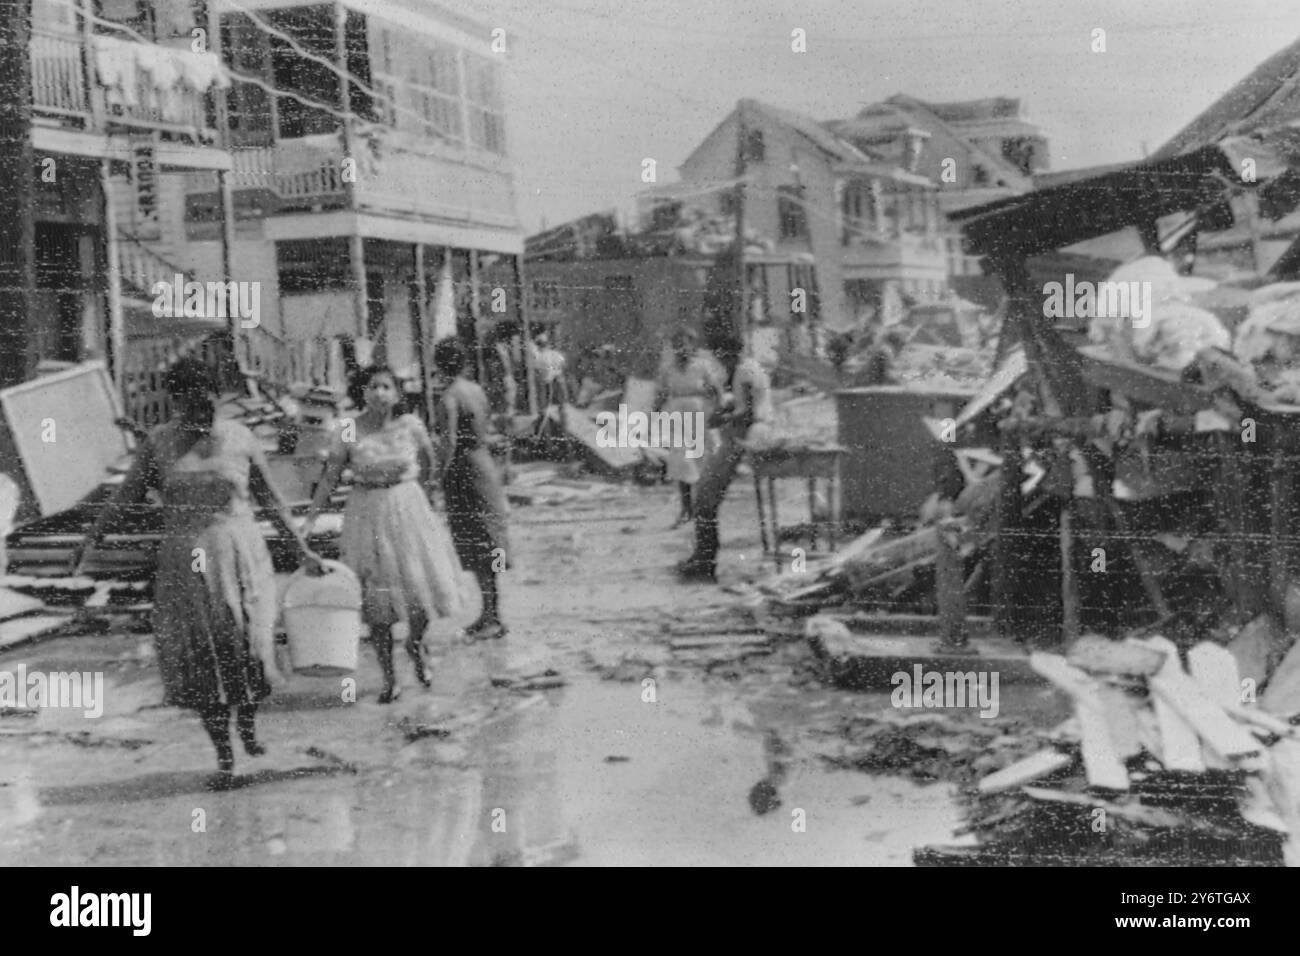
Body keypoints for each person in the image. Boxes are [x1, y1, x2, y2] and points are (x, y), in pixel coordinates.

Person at [71, 358, 322, 789]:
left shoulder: (242, 439)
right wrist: (92, 536)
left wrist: (302, 550)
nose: (202, 411)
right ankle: (224, 755)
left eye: (208, 402)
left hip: (240, 553)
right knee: (201, 657)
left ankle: (247, 728)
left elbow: (272, 502)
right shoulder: (159, 443)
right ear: (177, 401)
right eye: (191, 403)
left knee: (248, 649)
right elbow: (127, 497)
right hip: (185, 561)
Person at [303, 366, 465, 703]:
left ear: (397, 393)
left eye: (386, 387)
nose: (379, 393)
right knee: (377, 601)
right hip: (366, 512)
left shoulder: (411, 426)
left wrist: (425, 498)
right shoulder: (349, 428)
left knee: (419, 592)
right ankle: (389, 678)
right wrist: (311, 518)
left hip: (408, 508)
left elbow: (431, 463)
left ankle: (416, 644)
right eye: (372, 386)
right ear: (361, 391)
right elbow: (331, 475)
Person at [676, 336, 775, 582]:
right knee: (705, 495)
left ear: (728, 354)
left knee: (706, 497)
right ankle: (703, 557)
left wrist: (722, 419)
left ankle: (705, 560)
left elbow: (749, 413)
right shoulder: (749, 368)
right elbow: (743, 406)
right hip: (745, 433)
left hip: (744, 435)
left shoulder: (745, 371)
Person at [434, 338, 511, 640]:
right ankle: (491, 613)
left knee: (478, 543)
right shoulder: (476, 390)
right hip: (484, 464)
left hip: (464, 469)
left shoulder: (449, 397)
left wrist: (438, 475)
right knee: (490, 539)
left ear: (439, 365)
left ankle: (491, 617)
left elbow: (449, 440)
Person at [654, 328, 724, 526]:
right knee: (681, 460)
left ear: (692, 345)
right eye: (677, 345)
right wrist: (654, 416)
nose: (681, 348)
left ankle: (704, 507)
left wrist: (718, 411)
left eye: (685, 343)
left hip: (700, 412)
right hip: (677, 413)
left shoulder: (703, 366)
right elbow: (660, 394)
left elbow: (716, 390)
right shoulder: (667, 369)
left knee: (703, 458)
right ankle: (686, 509)